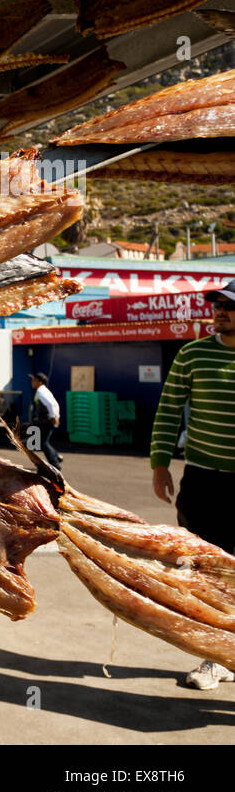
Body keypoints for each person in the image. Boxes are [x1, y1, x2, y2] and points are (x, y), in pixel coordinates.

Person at [151, 278, 235, 690]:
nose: (220, 310)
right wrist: (160, 463)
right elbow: (168, 411)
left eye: (229, 305)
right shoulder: (193, 355)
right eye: (217, 303)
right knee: (206, 571)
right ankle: (214, 658)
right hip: (202, 482)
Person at [27, 372, 62, 469]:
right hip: (46, 420)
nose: (32, 382)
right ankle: (56, 457)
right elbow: (55, 404)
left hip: (46, 420)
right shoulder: (42, 390)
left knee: (43, 443)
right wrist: (55, 416)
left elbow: (51, 404)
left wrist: (53, 417)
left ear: (40, 382)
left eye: (33, 380)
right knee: (44, 441)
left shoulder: (42, 392)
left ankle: (55, 463)